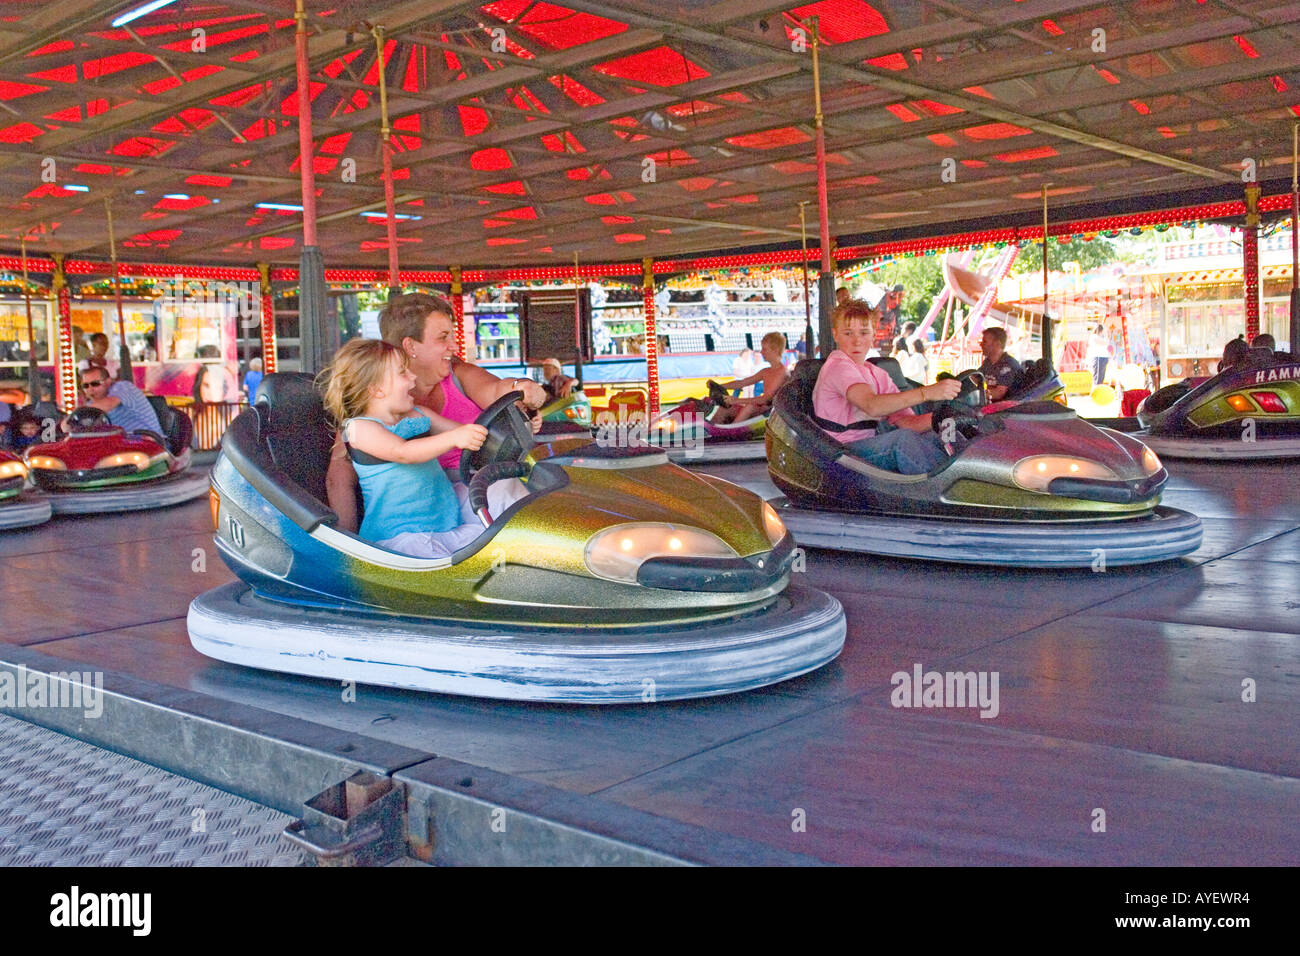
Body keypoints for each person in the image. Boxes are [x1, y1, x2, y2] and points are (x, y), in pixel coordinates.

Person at [325, 292, 547, 534]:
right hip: (408, 518)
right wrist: (348, 544)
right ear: (411, 346)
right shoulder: (363, 418)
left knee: (514, 491)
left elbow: (496, 390)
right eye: (444, 337)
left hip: (458, 494)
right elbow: (340, 479)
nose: (455, 346)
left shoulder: (453, 379)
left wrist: (522, 394)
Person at [322, 339, 524, 559]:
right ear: (376, 389)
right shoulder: (360, 428)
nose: (413, 377)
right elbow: (403, 452)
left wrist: (518, 425)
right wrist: (454, 438)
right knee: (425, 553)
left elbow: (468, 432)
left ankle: (531, 556)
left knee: (500, 503)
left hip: (445, 524)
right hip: (400, 537)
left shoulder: (418, 414)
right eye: (402, 373)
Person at [813, 300, 961, 474]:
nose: (857, 341)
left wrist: (945, 417)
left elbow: (907, 423)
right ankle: (947, 490)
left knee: (936, 437)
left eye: (863, 332)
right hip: (839, 453)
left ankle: (968, 478)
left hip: (867, 446)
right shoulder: (838, 365)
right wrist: (927, 393)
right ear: (835, 335)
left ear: (873, 334)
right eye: (848, 333)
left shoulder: (877, 374)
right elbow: (872, 405)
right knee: (902, 442)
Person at [711, 331, 790, 425]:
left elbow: (765, 399)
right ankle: (710, 433)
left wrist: (736, 400)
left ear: (775, 350)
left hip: (770, 414)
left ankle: (731, 433)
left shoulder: (782, 372)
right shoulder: (766, 371)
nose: (761, 352)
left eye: (764, 349)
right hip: (760, 410)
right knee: (723, 408)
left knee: (750, 406)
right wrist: (718, 386)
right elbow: (742, 383)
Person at [78, 368, 162, 435]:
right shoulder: (90, 406)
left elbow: (109, 403)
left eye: (95, 384)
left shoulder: (123, 387)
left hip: (150, 444)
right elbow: (70, 427)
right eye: (85, 386)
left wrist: (77, 415)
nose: (90, 389)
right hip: (121, 448)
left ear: (108, 382)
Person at [977, 327, 1021, 402]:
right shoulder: (988, 362)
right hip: (993, 407)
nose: (981, 344)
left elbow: (999, 393)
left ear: (997, 344)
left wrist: (975, 395)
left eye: (985, 342)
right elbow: (975, 378)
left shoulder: (1008, 365)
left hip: (1006, 410)